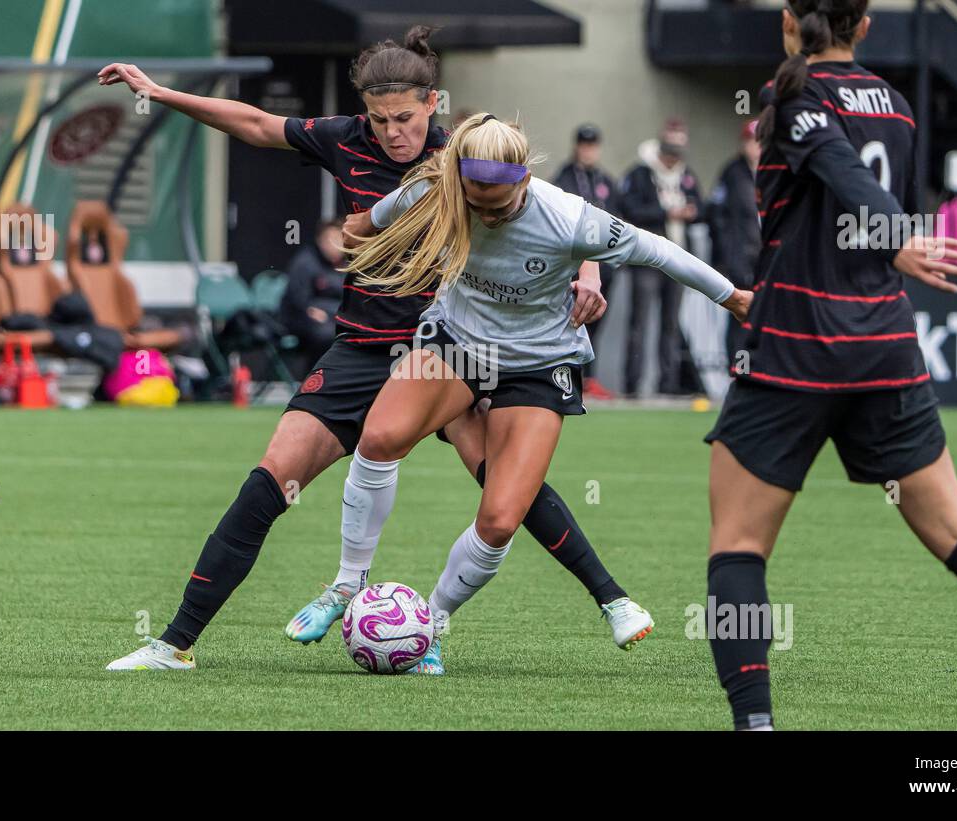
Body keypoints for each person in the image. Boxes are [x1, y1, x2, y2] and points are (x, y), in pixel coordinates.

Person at [99, 27, 654, 671]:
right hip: (363, 346)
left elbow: (554, 214)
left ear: (432, 104)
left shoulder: (462, 155)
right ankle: (176, 645)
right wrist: (158, 92)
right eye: (381, 118)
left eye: (406, 118)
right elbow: (254, 124)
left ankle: (607, 599)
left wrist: (589, 272)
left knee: (506, 492)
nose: (394, 132)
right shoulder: (345, 140)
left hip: (448, 353)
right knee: (269, 480)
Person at [703, 0, 957, 730]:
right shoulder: (900, 105)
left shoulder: (790, 97)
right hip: (884, 346)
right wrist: (893, 240)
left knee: (738, 547)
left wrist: (895, 238)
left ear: (788, 20)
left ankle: (754, 723)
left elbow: (844, 172)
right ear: (867, 26)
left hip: (797, 345)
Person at [337, 113, 753, 674]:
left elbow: (661, 251)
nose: (484, 214)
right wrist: (357, 230)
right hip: (459, 343)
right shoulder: (436, 191)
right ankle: (343, 586)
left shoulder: (570, 218)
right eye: (474, 202)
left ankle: (430, 624)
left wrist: (732, 298)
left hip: (539, 360)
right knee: (381, 434)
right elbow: (366, 222)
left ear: (524, 182)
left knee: (502, 518)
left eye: (498, 205)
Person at [619, 119, 703, 397]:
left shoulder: (686, 175)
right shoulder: (641, 174)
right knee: (640, 322)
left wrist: (690, 212)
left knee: (671, 323)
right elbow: (628, 209)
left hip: (677, 258)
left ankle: (668, 383)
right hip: (647, 258)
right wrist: (666, 213)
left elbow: (701, 207)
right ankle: (632, 385)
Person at [552, 124, 619, 399]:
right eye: (584, 145)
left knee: (595, 323)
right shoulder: (563, 179)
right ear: (577, 146)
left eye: (593, 145)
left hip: (603, 265)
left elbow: (619, 220)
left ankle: (588, 377)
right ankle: (566, 376)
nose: (588, 150)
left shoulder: (605, 181)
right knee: (572, 322)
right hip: (572, 267)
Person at [709, 119, 763, 367]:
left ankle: (760, 368)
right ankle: (738, 368)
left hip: (765, 257)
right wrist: (727, 258)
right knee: (739, 311)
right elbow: (718, 218)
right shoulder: (732, 173)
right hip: (740, 257)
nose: (756, 147)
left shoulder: (773, 173)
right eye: (751, 141)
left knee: (764, 313)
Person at [280, 219, 344, 374]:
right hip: (302, 320)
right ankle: (315, 378)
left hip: (337, 317)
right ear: (320, 241)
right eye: (330, 240)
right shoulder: (305, 263)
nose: (334, 245)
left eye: (338, 239)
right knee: (326, 333)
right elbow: (297, 300)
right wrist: (310, 311)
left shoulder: (350, 264)